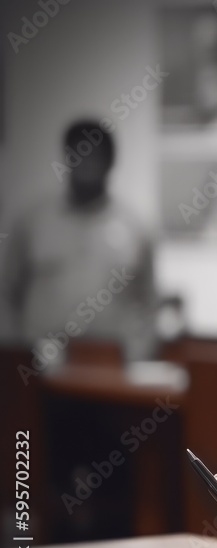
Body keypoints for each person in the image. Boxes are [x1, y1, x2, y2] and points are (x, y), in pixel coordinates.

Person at [0, 119, 158, 364]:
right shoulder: (33, 222)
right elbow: (8, 293)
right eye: (80, 153)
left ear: (111, 162)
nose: (87, 163)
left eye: (96, 155)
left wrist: (139, 354)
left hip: (112, 364)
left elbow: (148, 301)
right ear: (67, 158)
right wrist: (19, 352)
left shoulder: (135, 228)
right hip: (41, 365)